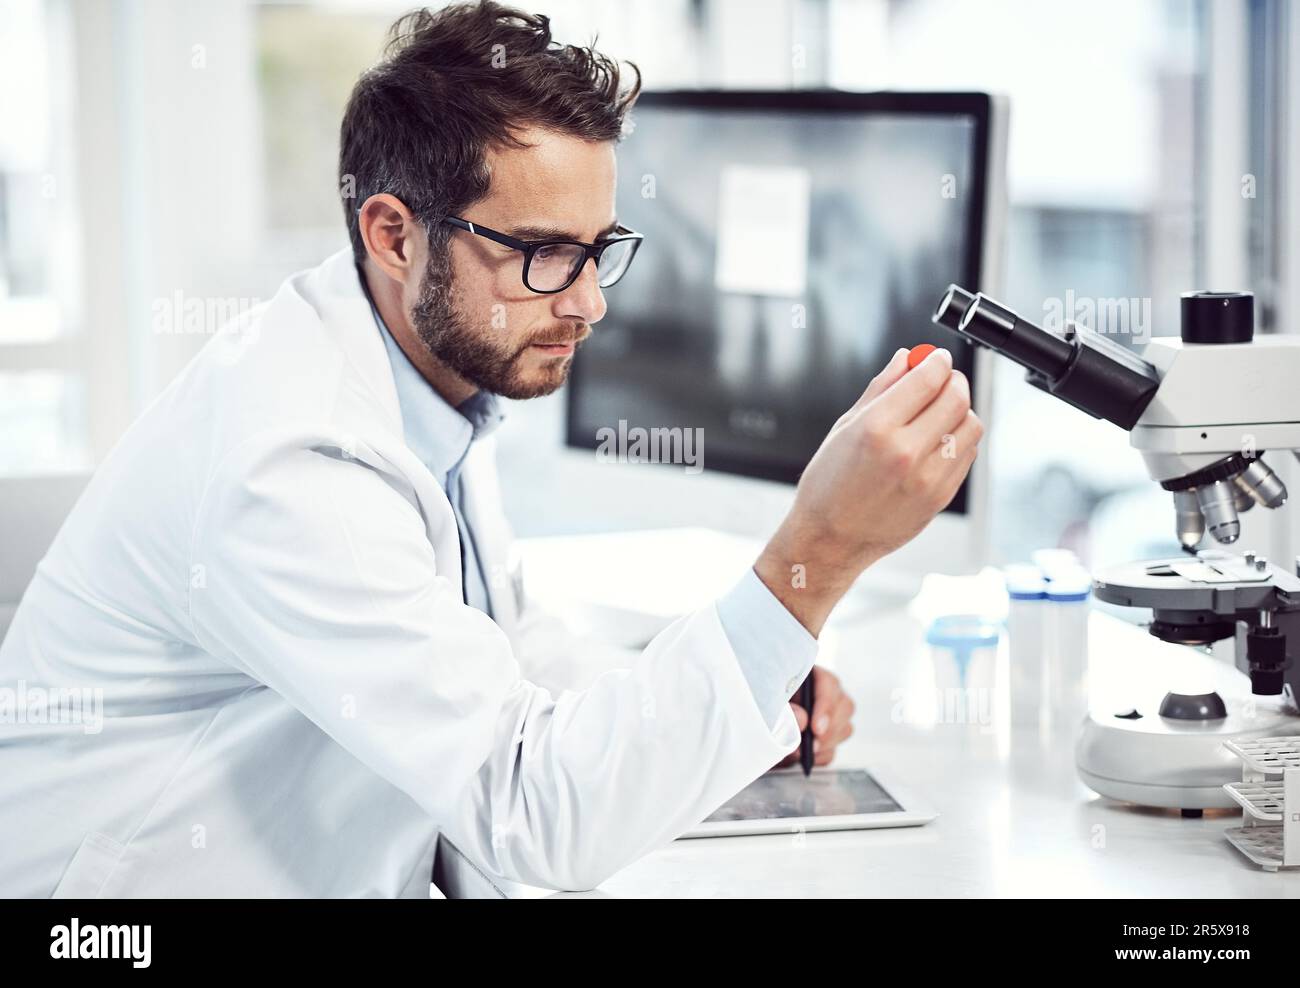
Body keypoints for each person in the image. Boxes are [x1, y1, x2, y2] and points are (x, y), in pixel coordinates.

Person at [0, 1, 981, 897]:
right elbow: (530, 814)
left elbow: (510, 653)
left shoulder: (428, 379)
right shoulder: (295, 458)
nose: (589, 302)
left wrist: (733, 708)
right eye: (544, 254)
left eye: (599, 250)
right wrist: (822, 549)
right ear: (392, 233)